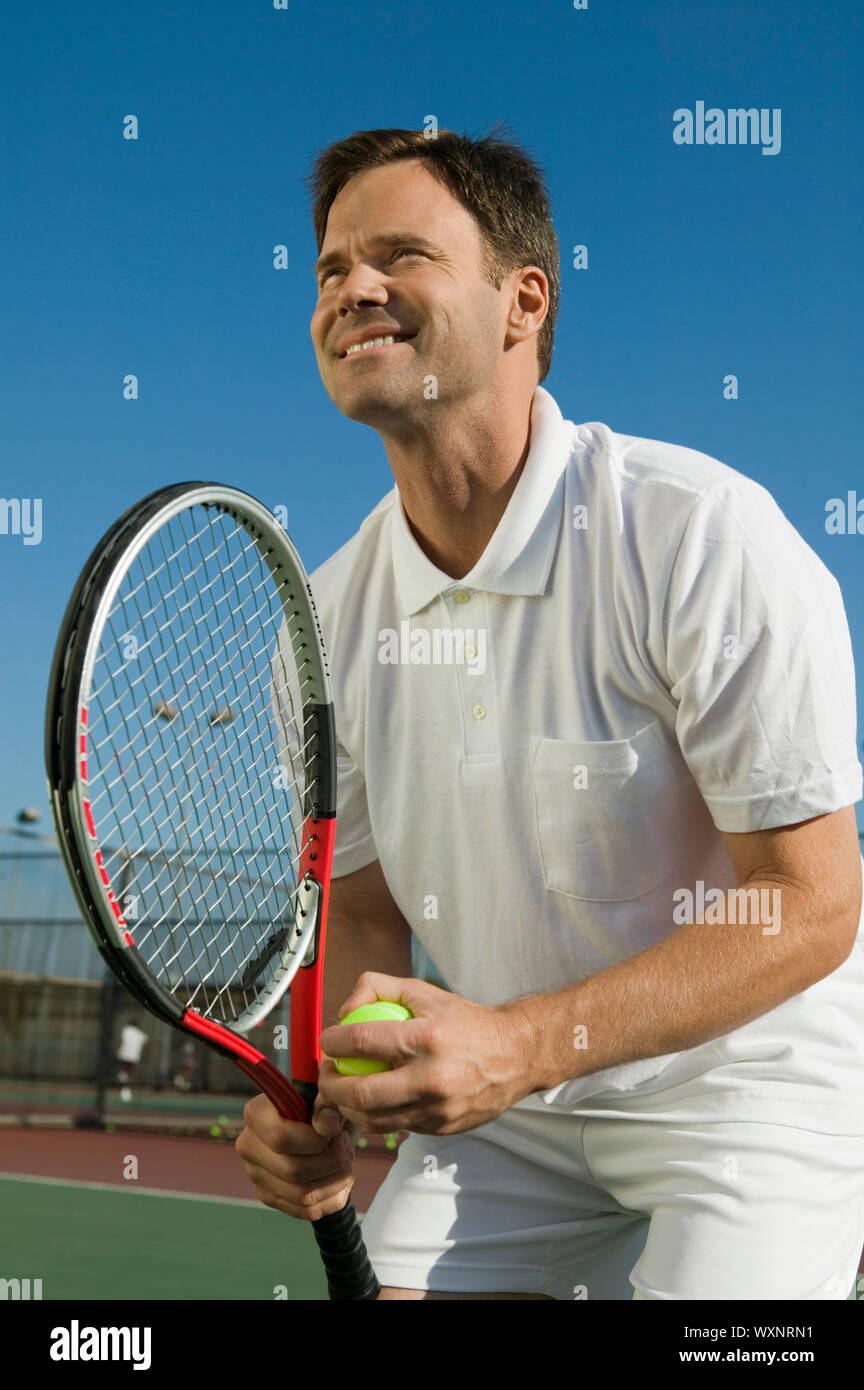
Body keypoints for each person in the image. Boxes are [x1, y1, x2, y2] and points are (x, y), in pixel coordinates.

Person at [236, 127, 864, 1300]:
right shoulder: (318, 624)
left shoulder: (701, 536)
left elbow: (815, 901)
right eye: (329, 269)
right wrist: (330, 1093)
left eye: (400, 255)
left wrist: (521, 1044)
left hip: (744, 1085)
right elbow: (365, 918)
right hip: (512, 1117)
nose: (352, 287)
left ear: (523, 303)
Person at [115, 1021, 149, 1103]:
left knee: (122, 1070)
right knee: (129, 1073)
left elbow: (121, 1041)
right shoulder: (139, 1033)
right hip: (134, 1056)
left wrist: (117, 1051)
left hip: (124, 1054)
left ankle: (124, 1084)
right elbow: (147, 1041)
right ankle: (126, 1088)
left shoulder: (126, 1030)